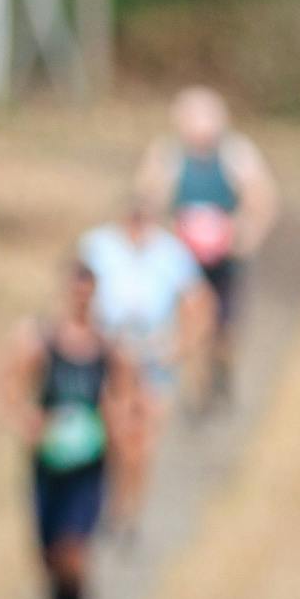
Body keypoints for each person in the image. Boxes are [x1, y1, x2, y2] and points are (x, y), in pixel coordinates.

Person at [1, 260, 140, 599]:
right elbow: (10, 389)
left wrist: (119, 433)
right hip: (48, 465)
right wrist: (30, 423)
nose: (81, 301)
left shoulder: (110, 350)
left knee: (73, 552)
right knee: (47, 556)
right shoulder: (39, 341)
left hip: (88, 466)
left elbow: (126, 402)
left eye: (88, 294)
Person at [136, 85, 278, 409]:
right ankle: (196, 389)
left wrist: (245, 234)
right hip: (184, 259)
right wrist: (166, 234)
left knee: (225, 325)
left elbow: (262, 198)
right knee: (190, 323)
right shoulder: (167, 155)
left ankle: (222, 373)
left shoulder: (237, 154)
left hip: (225, 257)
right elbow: (147, 200)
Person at [75, 195, 210, 531]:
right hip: (112, 354)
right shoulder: (97, 246)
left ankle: (132, 510)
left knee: (144, 439)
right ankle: (114, 501)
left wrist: (181, 347)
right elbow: (77, 296)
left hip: (153, 358)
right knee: (113, 434)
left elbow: (199, 302)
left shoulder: (171, 252)